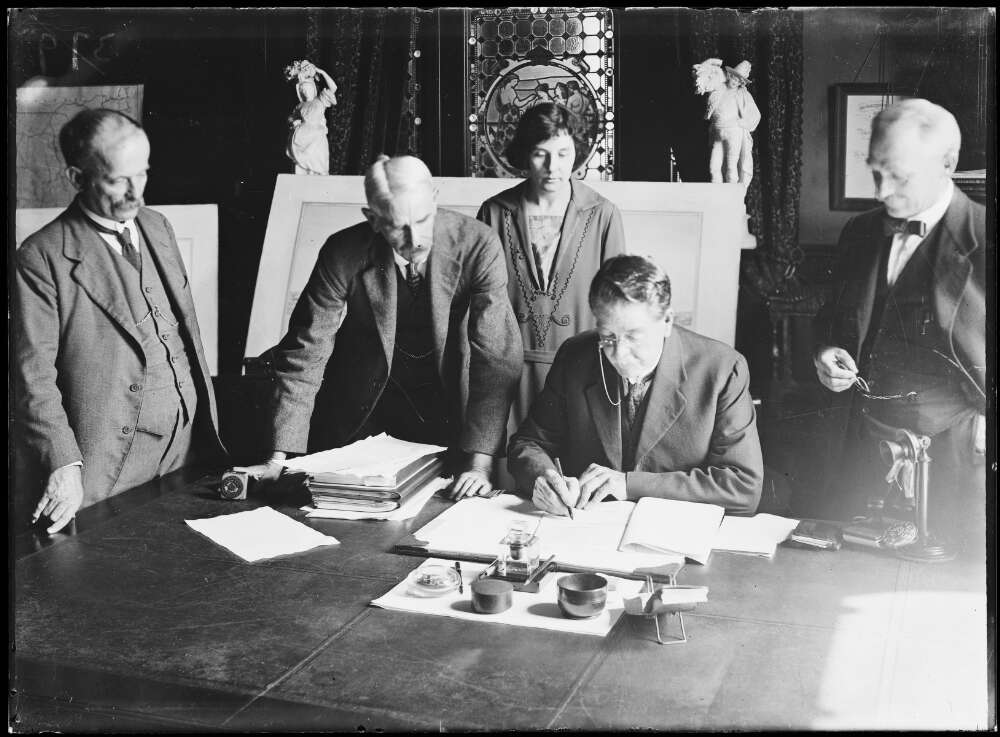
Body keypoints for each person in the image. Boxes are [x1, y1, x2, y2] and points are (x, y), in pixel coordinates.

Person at [243, 155, 522, 499]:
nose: (416, 238)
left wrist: (479, 466)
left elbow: (495, 358)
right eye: (397, 226)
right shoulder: (342, 252)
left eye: (423, 220)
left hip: (446, 409)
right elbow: (306, 353)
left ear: (434, 199)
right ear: (372, 219)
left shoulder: (478, 244)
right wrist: (276, 458)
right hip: (361, 414)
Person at [14, 108, 226, 533]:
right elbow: (29, 375)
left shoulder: (158, 226)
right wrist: (63, 463)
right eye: (117, 180)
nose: (136, 193)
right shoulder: (41, 257)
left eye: (142, 174)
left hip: (187, 451)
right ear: (77, 178)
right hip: (110, 468)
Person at [813, 98, 986, 542]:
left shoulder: (986, 239)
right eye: (875, 171)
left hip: (958, 456)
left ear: (947, 164)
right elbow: (831, 323)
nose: (880, 191)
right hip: (862, 447)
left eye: (898, 176)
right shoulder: (859, 232)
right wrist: (827, 352)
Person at [508, 255, 763, 516]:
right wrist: (545, 478)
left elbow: (742, 486)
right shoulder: (575, 355)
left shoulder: (721, 369)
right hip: (585, 533)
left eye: (634, 337)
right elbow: (528, 443)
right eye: (608, 337)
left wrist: (630, 485)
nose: (619, 355)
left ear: (667, 321)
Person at [477, 103, 626, 484]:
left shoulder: (602, 214)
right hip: (505, 375)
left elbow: (618, 308)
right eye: (541, 154)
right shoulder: (494, 212)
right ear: (525, 154)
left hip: (580, 374)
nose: (553, 166)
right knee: (508, 490)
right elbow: (477, 307)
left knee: (573, 489)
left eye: (563, 154)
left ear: (577, 150)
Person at [286, 65, 337, 175]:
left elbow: (333, 88)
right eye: (302, 89)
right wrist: (293, 122)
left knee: (319, 168)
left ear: (313, 89)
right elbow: (291, 118)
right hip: (301, 137)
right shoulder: (300, 106)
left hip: (316, 138)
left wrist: (321, 72)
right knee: (300, 169)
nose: (305, 91)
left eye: (307, 88)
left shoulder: (320, 101)